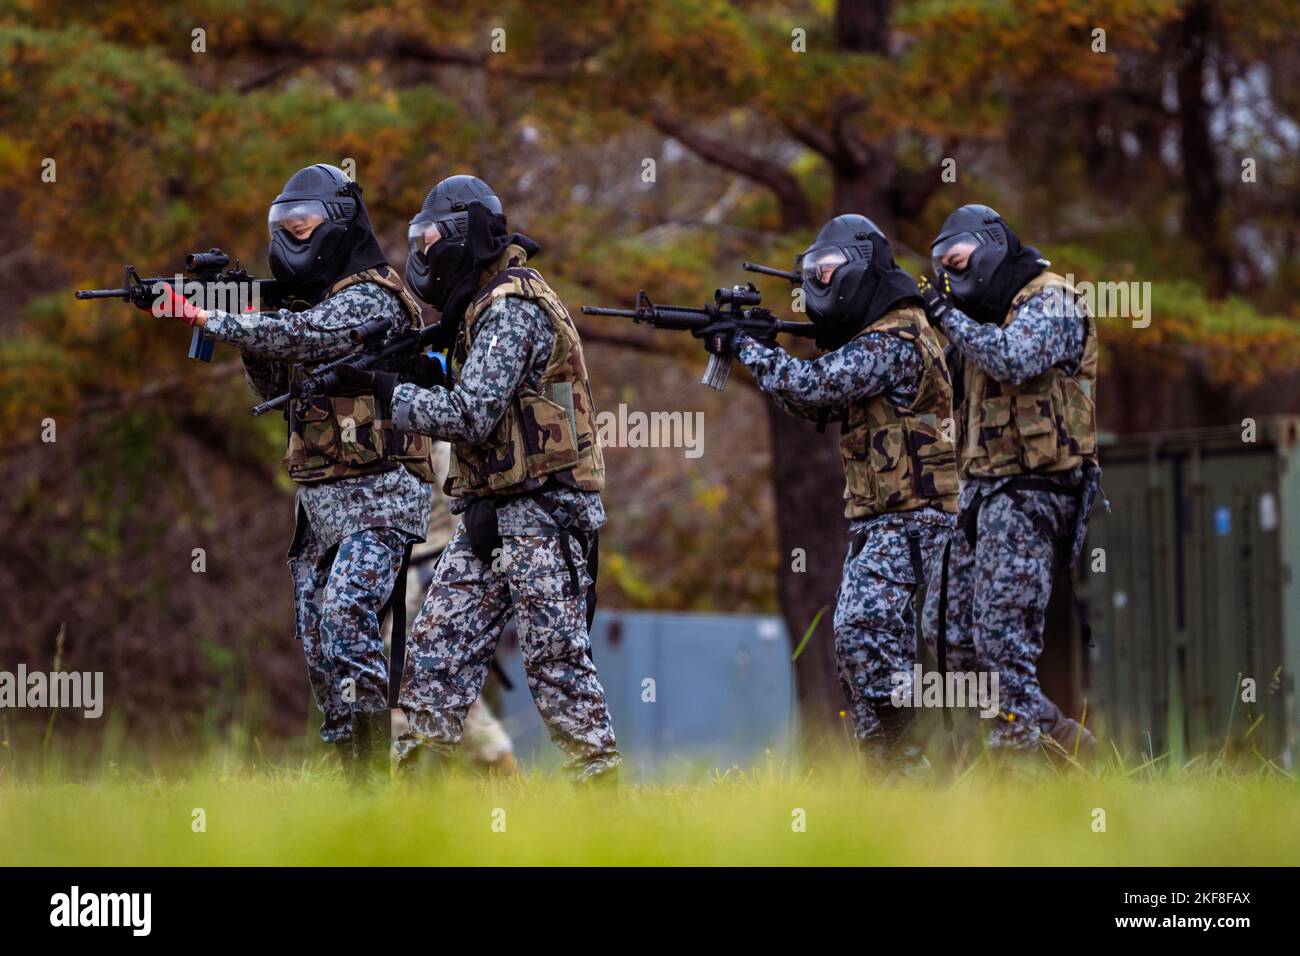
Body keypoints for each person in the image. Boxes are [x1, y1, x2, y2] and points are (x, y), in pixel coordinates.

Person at [137, 164, 436, 783]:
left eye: (301, 227)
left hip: (379, 495)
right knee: (319, 642)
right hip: (321, 502)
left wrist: (208, 318)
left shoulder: (373, 295)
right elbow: (277, 382)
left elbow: (303, 335)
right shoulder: (310, 304)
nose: (289, 241)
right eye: (282, 228)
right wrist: (246, 328)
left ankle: (371, 779)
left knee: (348, 615)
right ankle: (349, 775)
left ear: (339, 228)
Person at [321, 175, 621, 783]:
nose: (424, 251)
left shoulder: (513, 307)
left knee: (557, 666)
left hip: (543, 517)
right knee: (433, 662)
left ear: (466, 238)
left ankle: (603, 796)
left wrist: (381, 389)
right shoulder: (478, 309)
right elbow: (472, 396)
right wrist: (403, 366)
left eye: (433, 237)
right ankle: (410, 813)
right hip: (488, 518)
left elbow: (470, 414)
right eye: (419, 238)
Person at [719, 214, 959, 777]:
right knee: (857, 652)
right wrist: (756, 344)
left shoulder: (898, 337)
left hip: (913, 521)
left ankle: (913, 755)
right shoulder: (878, 339)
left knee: (864, 635)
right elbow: (815, 402)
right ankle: (895, 781)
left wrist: (749, 349)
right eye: (813, 274)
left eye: (828, 272)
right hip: (883, 521)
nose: (820, 284)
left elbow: (813, 384)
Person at [919, 203, 1102, 763]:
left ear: (992, 246)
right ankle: (1059, 742)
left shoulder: (1051, 302)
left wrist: (940, 312)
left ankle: (1017, 769)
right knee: (946, 637)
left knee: (1002, 641)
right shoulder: (981, 321)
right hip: (979, 496)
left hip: (1032, 497)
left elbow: (1015, 359)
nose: (951, 276)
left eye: (959, 261)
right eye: (942, 267)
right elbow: (930, 381)